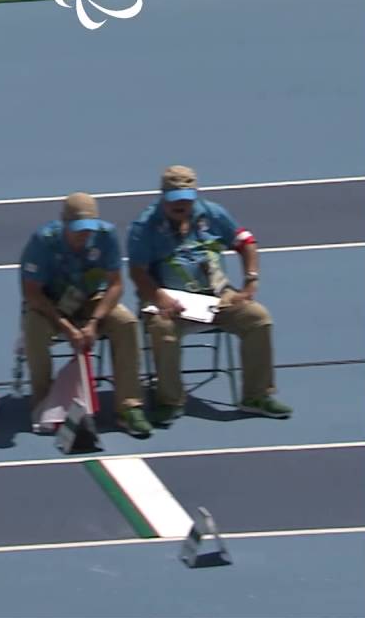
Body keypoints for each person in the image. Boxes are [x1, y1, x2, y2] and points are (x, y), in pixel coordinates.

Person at [127, 165, 293, 425]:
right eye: (174, 201)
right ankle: (170, 401)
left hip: (218, 297)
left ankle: (256, 395)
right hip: (169, 302)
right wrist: (159, 298)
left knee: (258, 318)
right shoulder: (144, 226)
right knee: (162, 330)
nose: (181, 206)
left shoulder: (212, 214)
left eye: (186, 200)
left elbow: (246, 242)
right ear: (163, 197)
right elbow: (137, 272)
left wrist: (250, 282)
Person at [19, 192, 152, 437]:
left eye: (88, 228)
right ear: (64, 222)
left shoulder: (105, 236)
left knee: (126, 323)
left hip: (91, 301)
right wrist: (65, 326)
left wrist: (94, 322)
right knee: (33, 329)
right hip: (51, 305)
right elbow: (31, 293)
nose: (84, 235)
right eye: (78, 229)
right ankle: (44, 401)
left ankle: (129, 406)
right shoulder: (43, 241)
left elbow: (115, 285)